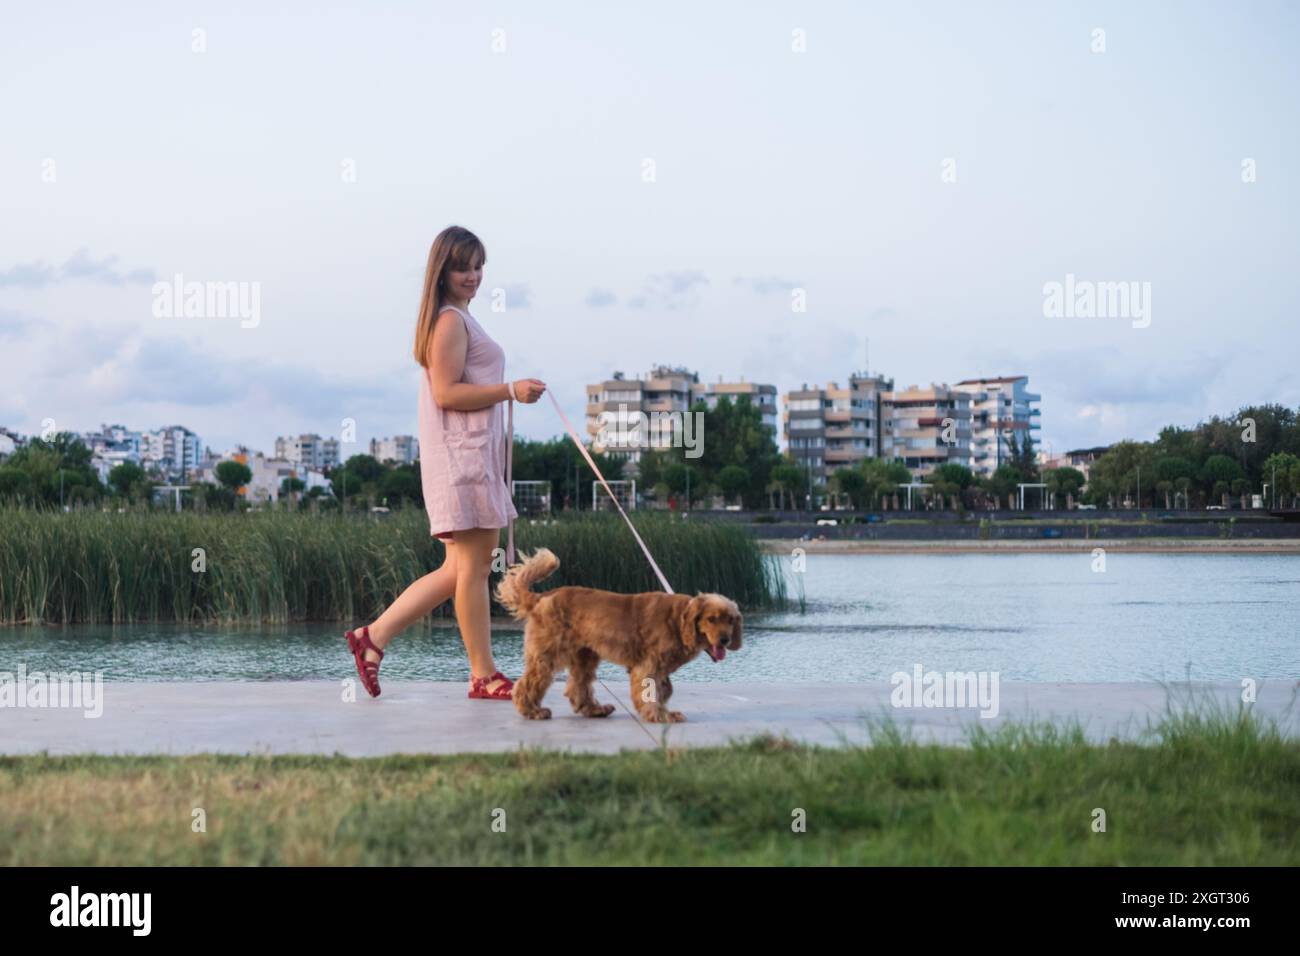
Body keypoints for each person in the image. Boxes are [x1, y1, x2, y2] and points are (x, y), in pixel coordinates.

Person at [345, 225, 546, 700]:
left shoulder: (457, 318)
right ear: (442, 271)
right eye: (462, 267)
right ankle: (482, 674)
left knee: (460, 569)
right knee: (471, 570)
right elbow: (446, 392)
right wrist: (509, 390)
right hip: (463, 461)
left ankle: (373, 638)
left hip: (469, 457)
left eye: (478, 267)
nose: (473, 276)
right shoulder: (450, 322)